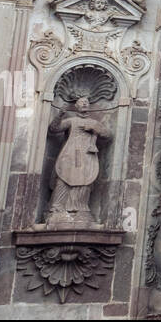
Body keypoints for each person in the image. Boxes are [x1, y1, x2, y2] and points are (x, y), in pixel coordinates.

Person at [46, 96, 112, 226]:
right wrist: (60, 115)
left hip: (87, 156)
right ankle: (57, 208)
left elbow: (107, 135)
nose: (84, 104)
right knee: (64, 178)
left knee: (85, 180)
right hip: (70, 155)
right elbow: (53, 129)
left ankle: (80, 209)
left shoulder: (93, 123)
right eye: (82, 102)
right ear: (76, 105)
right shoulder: (71, 121)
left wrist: (95, 129)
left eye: (87, 102)